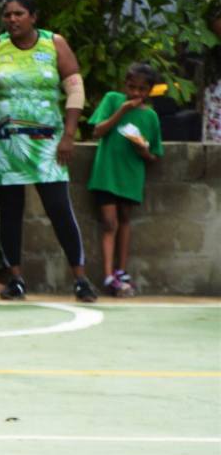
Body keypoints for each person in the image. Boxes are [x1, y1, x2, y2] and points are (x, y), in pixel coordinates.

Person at [0, 0, 97, 303]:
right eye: (8, 15)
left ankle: (80, 278)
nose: (12, 20)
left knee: (59, 207)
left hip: (48, 143)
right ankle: (14, 278)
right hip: (9, 143)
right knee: (10, 211)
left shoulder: (53, 43)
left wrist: (69, 135)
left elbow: (74, 88)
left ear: (33, 16)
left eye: (19, 14)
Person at [87, 63, 164, 297]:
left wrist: (143, 151)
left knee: (125, 219)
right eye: (132, 87)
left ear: (149, 91)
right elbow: (97, 131)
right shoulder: (112, 100)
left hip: (131, 175)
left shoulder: (150, 116)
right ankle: (109, 274)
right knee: (109, 222)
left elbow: (155, 155)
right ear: (125, 85)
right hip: (107, 173)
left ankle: (122, 270)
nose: (136, 94)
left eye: (142, 90)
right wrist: (121, 110)